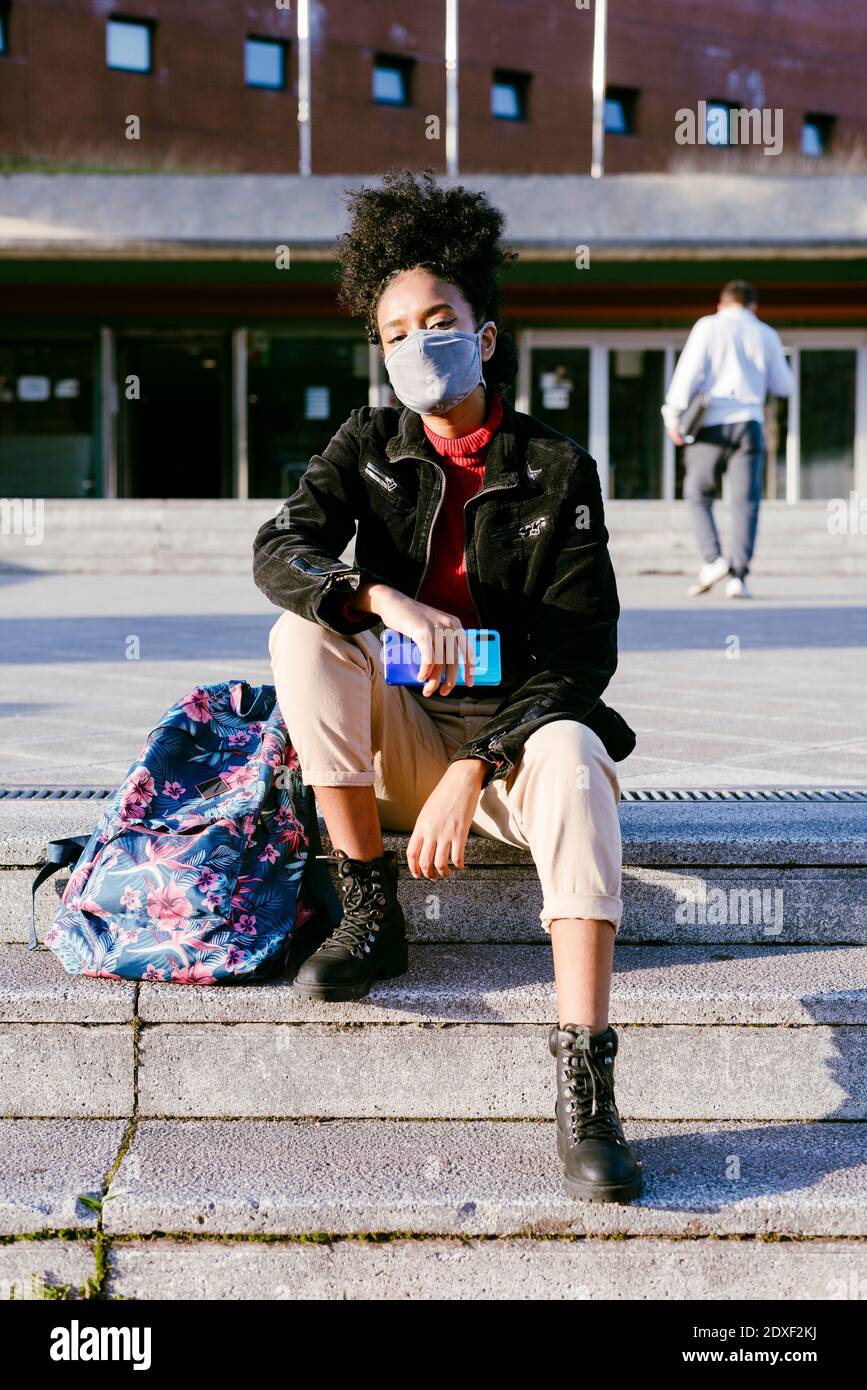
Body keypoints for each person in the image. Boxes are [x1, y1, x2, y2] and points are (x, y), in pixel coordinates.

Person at [253, 170, 642, 1205]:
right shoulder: (368, 447)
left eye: (438, 320)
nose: (415, 343)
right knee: (299, 635)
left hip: (506, 761)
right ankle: (370, 905)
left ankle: (585, 1075)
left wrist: (477, 763)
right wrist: (378, 596)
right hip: (398, 742)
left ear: (485, 335)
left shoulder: (556, 469)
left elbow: (580, 657)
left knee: (571, 746)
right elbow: (280, 547)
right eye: (393, 331)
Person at [662, 279, 793, 598]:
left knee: (697, 492)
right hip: (750, 423)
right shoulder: (767, 333)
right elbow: (784, 387)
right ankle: (739, 578)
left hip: (713, 424)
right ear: (753, 307)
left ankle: (713, 559)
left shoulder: (708, 326)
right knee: (746, 503)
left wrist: (672, 414)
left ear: (721, 304)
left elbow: (688, 374)